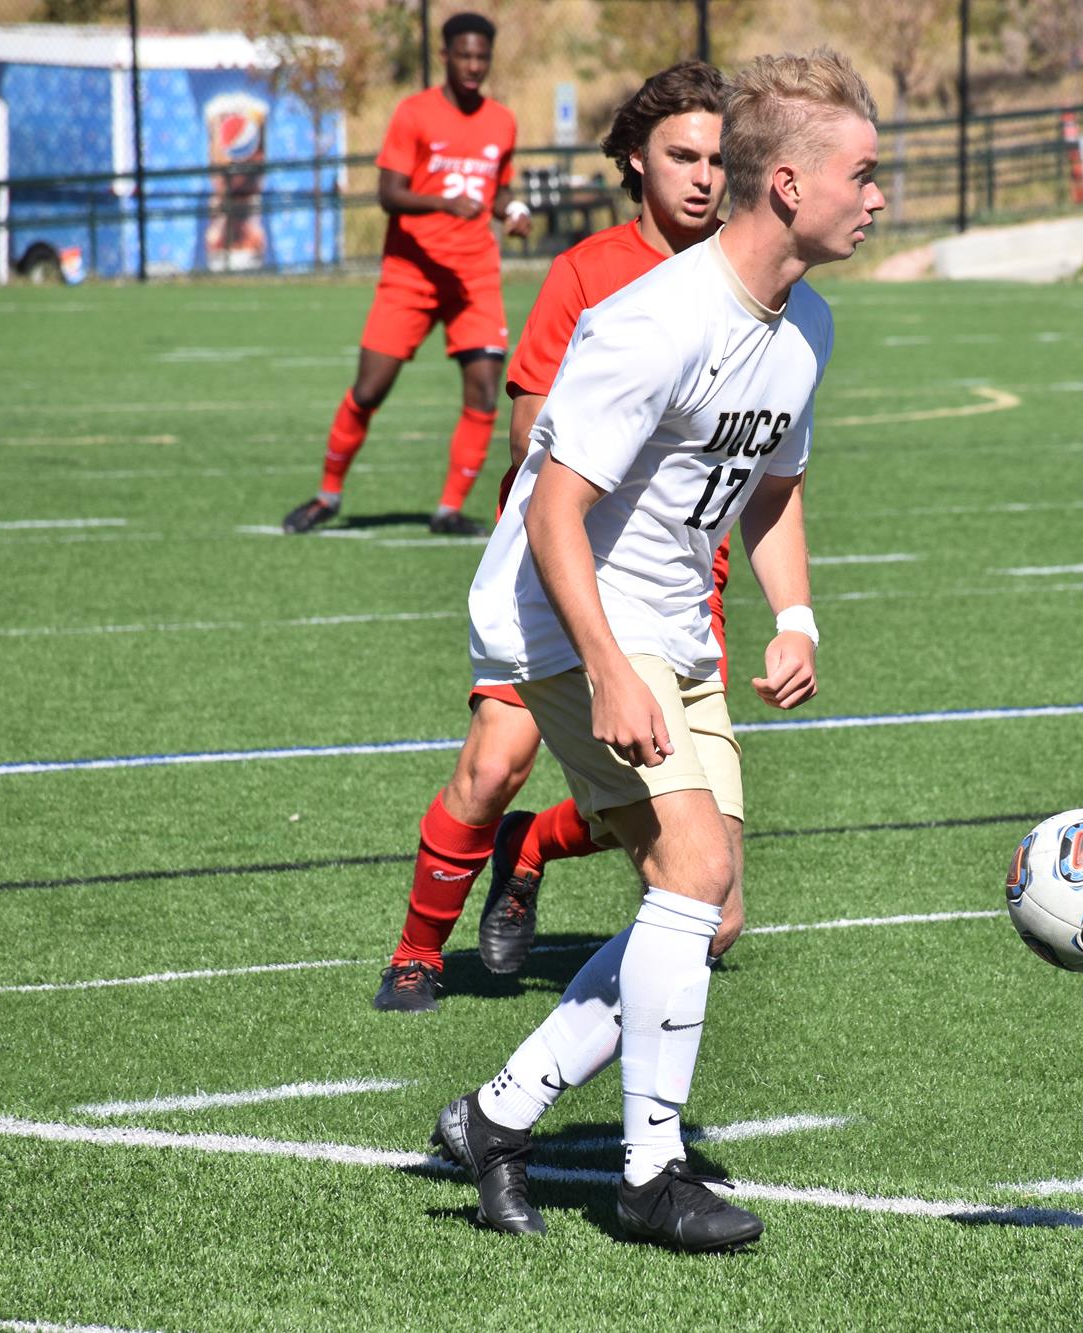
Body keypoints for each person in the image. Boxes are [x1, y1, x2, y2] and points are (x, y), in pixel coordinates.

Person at [430, 48, 883, 1251]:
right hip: (561, 618)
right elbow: (549, 508)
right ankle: (647, 1175)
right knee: (687, 868)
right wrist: (612, 667)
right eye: (863, 174)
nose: (877, 198)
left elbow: (772, 488)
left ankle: (498, 1113)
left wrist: (794, 616)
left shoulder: (807, 326)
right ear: (787, 185)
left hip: (672, 626)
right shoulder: (653, 319)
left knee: (710, 906)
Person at [370, 60, 733, 1014]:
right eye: (681, 156)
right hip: (559, 558)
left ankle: (529, 850)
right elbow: (533, 426)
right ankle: (416, 951)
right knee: (493, 764)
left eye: (719, 160)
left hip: (677, 580)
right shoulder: (589, 273)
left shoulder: (743, 278)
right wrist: (619, 456)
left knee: (663, 811)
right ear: (633, 160)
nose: (703, 177)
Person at [282, 12, 531, 539]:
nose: (472, 65)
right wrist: (444, 202)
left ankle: (448, 509)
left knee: (486, 389)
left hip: (473, 277)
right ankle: (328, 493)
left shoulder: (502, 121)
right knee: (370, 390)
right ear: (444, 55)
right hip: (411, 272)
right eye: (463, 54)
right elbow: (388, 194)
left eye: (481, 56)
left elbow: (499, 189)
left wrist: (513, 210)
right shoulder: (415, 114)